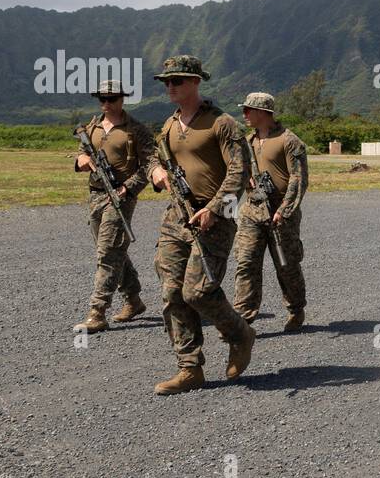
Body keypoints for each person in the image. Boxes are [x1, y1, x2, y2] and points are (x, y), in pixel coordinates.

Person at [148, 55, 255, 395]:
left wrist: (213, 207)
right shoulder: (168, 125)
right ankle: (189, 367)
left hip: (216, 219)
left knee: (197, 291)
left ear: (195, 81)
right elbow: (155, 157)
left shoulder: (221, 123)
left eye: (177, 80)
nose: (170, 86)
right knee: (171, 292)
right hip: (176, 217)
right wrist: (156, 172)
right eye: (166, 81)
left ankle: (240, 333)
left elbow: (240, 172)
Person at [74, 79, 156, 333]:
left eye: (112, 99)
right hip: (96, 194)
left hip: (120, 198)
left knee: (108, 253)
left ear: (122, 99)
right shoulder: (92, 126)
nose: (106, 104)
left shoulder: (136, 130)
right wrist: (83, 159)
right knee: (114, 249)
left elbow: (150, 165)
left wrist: (127, 188)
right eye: (102, 99)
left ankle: (97, 312)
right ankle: (134, 300)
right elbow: (80, 153)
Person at [232, 92, 309, 332]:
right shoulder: (248, 142)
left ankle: (296, 309)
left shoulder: (289, 141)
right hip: (253, 211)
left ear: (263, 112)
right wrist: (247, 183)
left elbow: (298, 180)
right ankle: (243, 318)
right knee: (246, 262)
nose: (244, 114)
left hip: (280, 213)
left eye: (248, 110)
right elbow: (239, 174)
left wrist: (284, 211)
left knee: (286, 265)